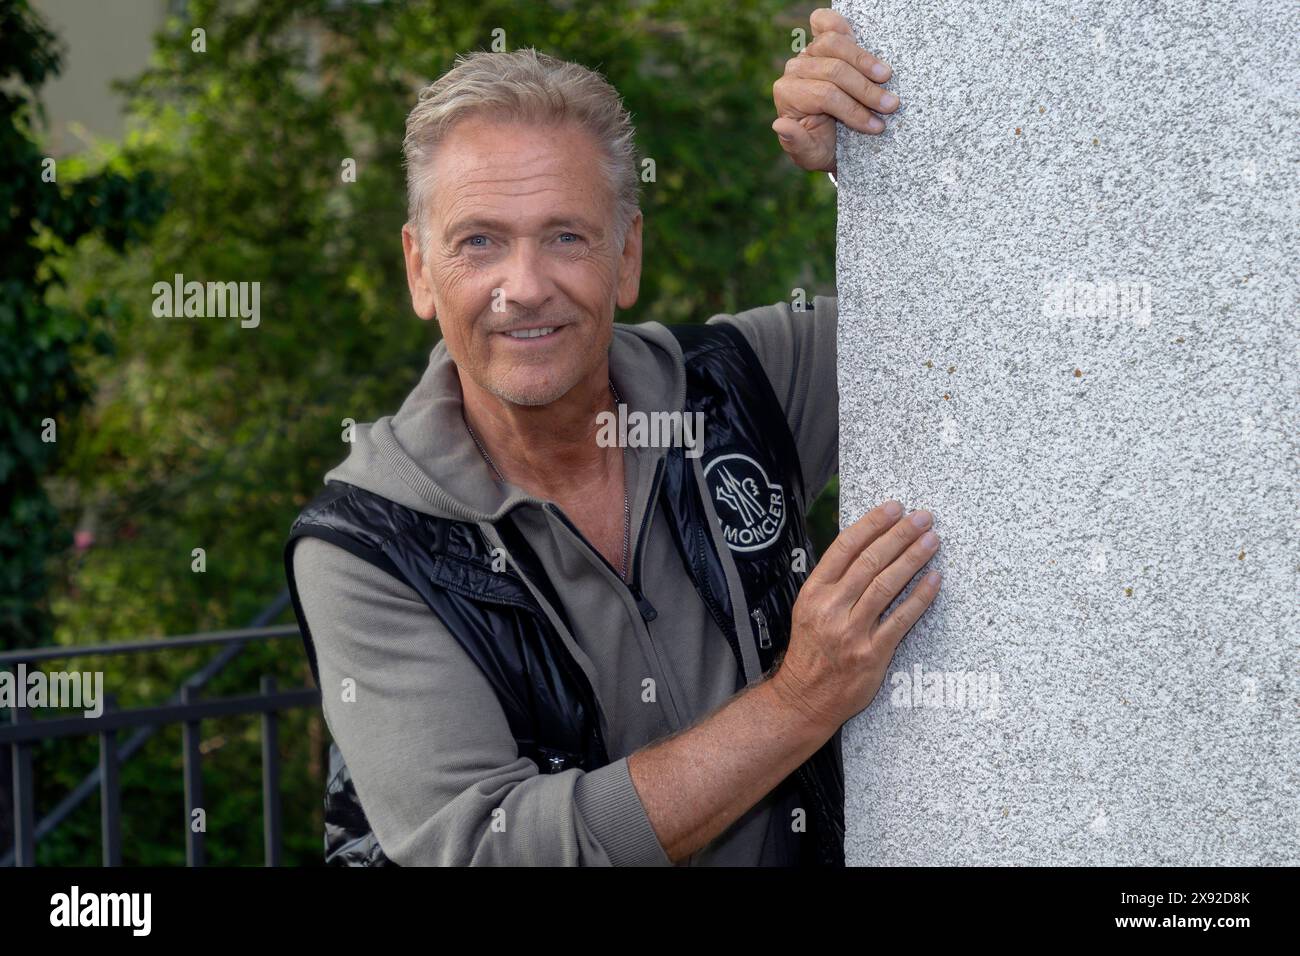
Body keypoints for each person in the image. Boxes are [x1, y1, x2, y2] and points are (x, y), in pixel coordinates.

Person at [284, 8, 940, 866]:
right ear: (419, 269)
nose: (524, 287)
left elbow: (969, 330)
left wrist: (877, 163)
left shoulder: (743, 381)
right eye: (479, 242)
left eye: (566, 236)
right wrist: (803, 700)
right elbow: (494, 851)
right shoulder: (366, 544)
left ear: (627, 256)